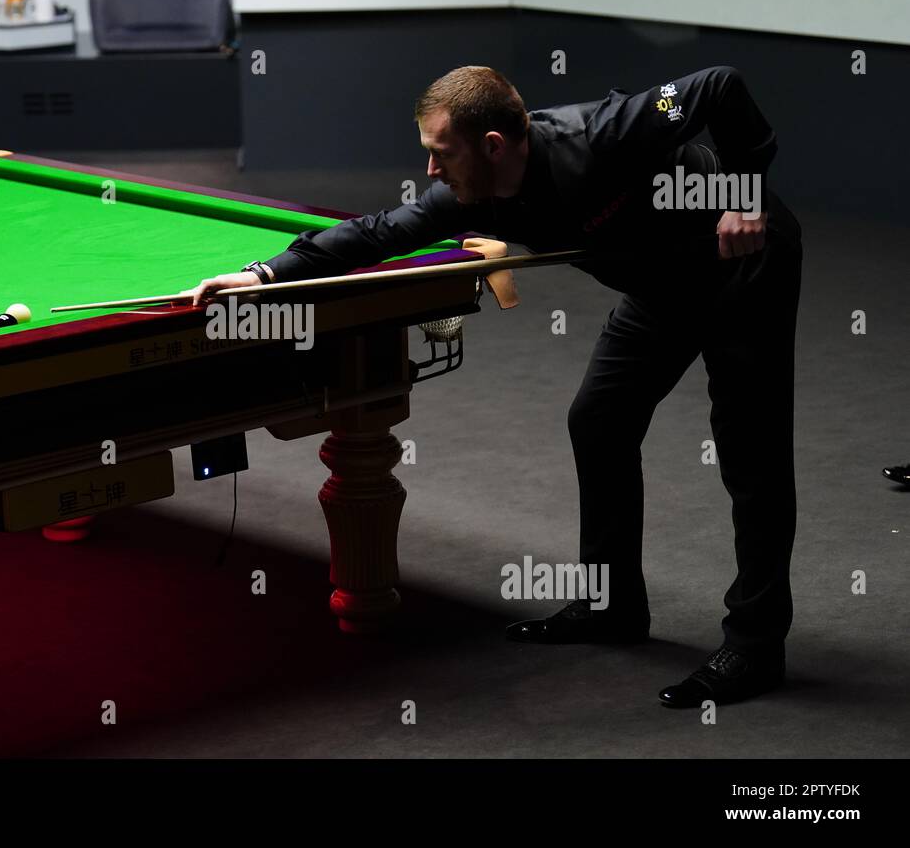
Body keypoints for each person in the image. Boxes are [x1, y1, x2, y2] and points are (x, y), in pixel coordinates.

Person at [187, 65, 803, 707]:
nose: (429, 170)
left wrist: (745, 195)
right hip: (658, 289)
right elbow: (376, 234)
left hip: (743, 273)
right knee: (598, 421)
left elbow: (723, 85)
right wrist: (264, 275)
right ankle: (611, 606)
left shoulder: (604, 135)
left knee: (749, 456)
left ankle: (756, 648)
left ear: (492, 145)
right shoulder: (467, 192)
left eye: (438, 152)